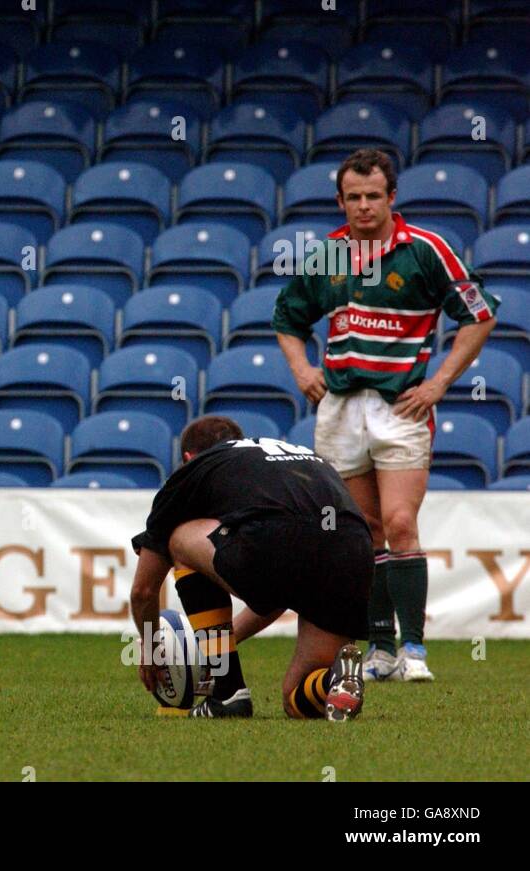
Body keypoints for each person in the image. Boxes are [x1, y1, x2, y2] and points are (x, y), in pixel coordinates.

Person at [272, 148, 499, 682]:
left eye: (374, 196)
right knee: (364, 531)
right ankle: (379, 649)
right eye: (353, 197)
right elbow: (287, 316)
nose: (364, 206)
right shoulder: (326, 254)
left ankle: (414, 650)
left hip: (401, 405)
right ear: (340, 201)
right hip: (340, 407)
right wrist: (301, 369)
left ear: (392, 197)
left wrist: (439, 382)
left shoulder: (425, 249)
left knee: (399, 523)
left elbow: (479, 313)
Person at [130, 416, 370, 721]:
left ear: (188, 458)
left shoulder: (194, 470)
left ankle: (228, 692)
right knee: (296, 697)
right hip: (353, 548)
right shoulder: (287, 454)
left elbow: (143, 591)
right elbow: (280, 589)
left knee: (179, 539)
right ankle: (335, 678)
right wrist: (218, 645)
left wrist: (152, 649)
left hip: (278, 538)